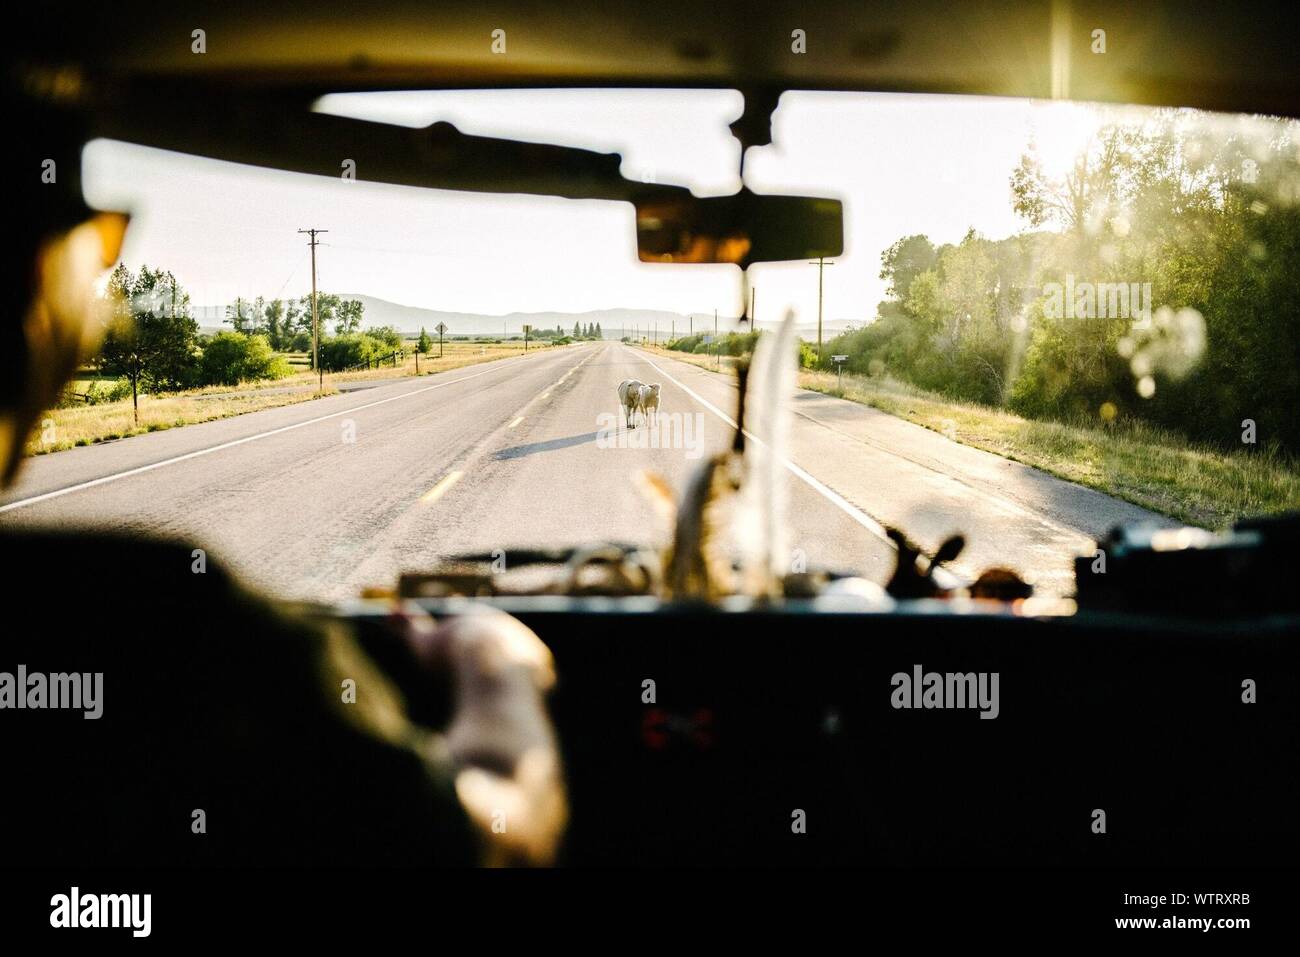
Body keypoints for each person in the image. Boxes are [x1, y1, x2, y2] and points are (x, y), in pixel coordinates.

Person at [0, 92, 565, 867]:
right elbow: (496, 833)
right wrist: (495, 662)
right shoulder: (159, 615)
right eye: (100, 242)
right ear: (38, 268)